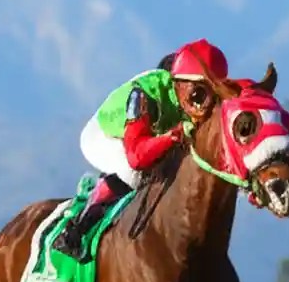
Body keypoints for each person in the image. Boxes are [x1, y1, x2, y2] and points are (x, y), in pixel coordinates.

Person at [51, 39, 229, 259]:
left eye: (214, 93)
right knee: (133, 173)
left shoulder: (187, 95)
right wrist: (174, 135)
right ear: (179, 83)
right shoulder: (142, 96)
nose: (206, 103)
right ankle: (77, 230)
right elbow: (136, 157)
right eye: (199, 93)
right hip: (107, 137)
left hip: (149, 137)